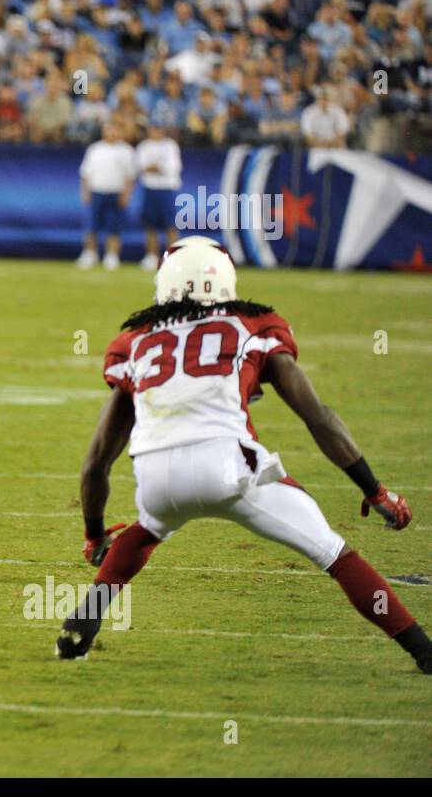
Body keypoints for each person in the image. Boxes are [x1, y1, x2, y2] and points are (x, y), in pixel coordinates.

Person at [59, 237, 429, 673]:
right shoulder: (252, 325)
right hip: (227, 468)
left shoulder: (136, 340)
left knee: (145, 530)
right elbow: (319, 418)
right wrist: (375, 491)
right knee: (334, 552)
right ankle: (423, 651)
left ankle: (78, 629)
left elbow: (96, 461)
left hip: (155, 477)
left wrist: (94, 535)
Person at [77, 118, 136, 270]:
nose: (112, 133)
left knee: (114, 227)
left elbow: (130, 177)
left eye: (116, 129)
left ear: (120, 132)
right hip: (96, 192)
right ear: (104, 131)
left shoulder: (126, 151)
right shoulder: (95, 149)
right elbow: (85, 174)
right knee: (91, 225)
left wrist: (126, 195)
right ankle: (90, 254)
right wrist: (85, 192)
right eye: (109, 129)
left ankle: (112, 256)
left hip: (116, 193)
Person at [134, 122, 183, 271]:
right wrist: (156, 167)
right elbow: (141, 167)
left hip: (167, 189)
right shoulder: (144, 146)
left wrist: (155, 167)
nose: (155, 132)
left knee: (171, 225)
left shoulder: (170, 146)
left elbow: (173, 168)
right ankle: (151, 256)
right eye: (153, 129)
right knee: (150, 225)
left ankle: (174, 257)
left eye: (158, 129)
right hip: (150, 189)